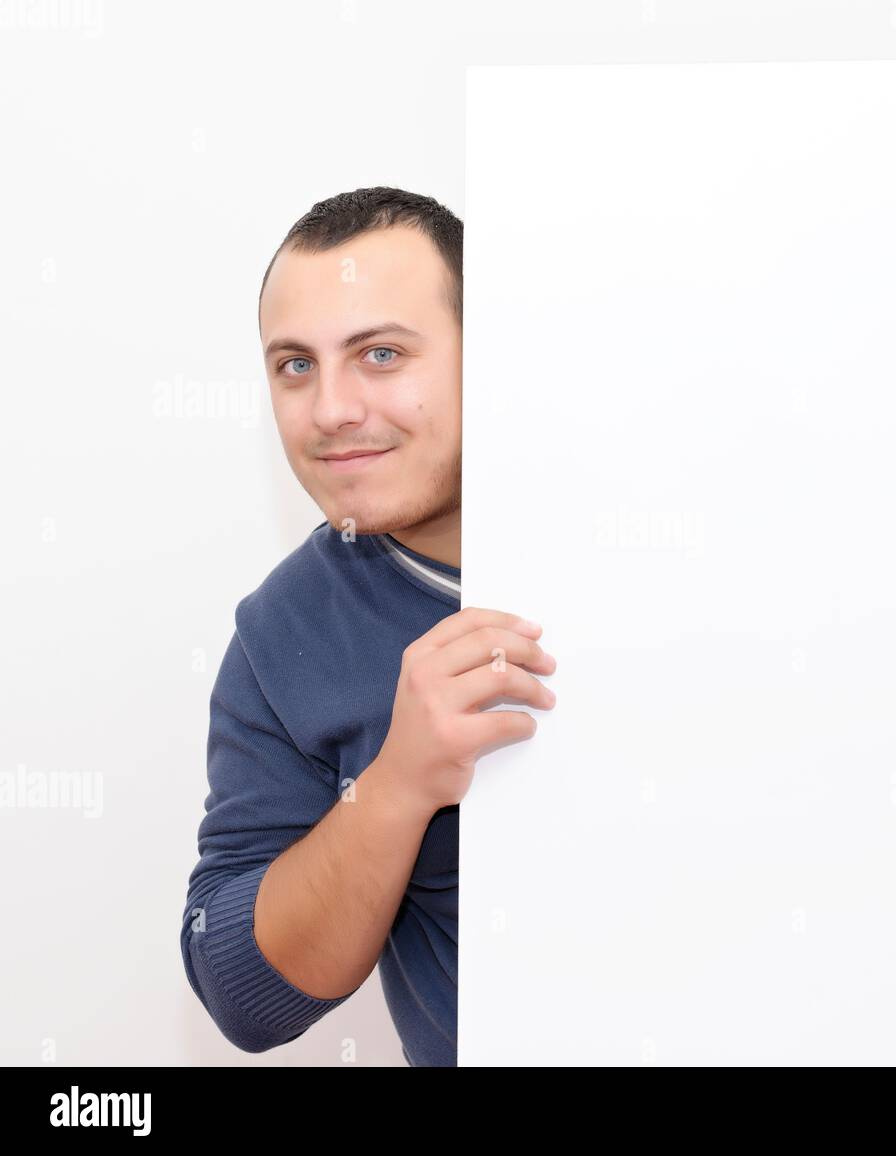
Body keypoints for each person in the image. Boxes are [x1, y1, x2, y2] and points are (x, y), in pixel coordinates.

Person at [179, 186, 557, 1066]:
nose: (331, 409)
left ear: (487, 353)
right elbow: (241, 997)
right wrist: (397, 785)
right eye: (295, 366)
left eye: (380, 354)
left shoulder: (659, 534)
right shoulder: (284, 636)